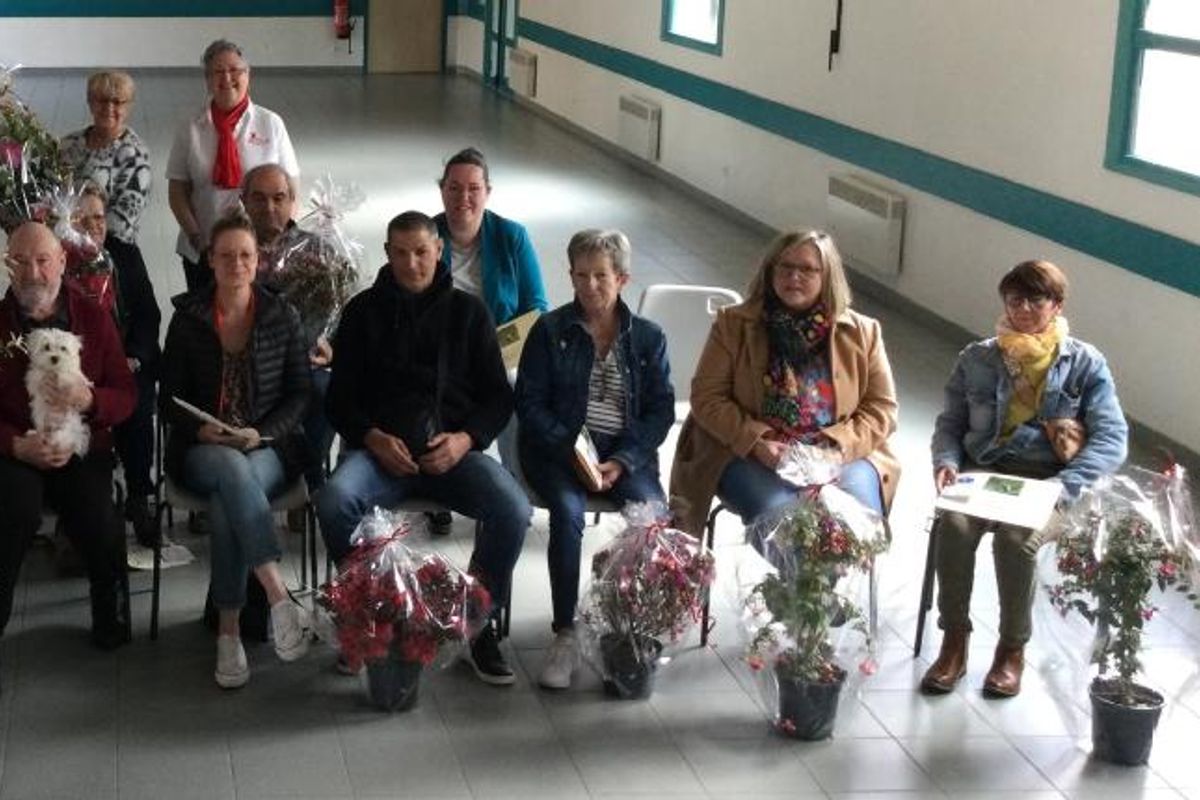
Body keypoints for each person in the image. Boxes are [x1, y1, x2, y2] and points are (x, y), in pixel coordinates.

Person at [317, 211, 532, 686]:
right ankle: (366, 615)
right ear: (388, 255)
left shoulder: (470, 313)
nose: (412, 263)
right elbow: (339, 401)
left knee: (513, 509)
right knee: (334, 502)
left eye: (421, 252)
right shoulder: (361, 312)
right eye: (400, 253)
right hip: (379, 454)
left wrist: (466, 440)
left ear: (440, 252)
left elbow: (499, 397)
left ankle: (476, 620)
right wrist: (371, 437)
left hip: (451, 453)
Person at [921, 259, 1127, 698]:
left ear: (1057, 305)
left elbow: (1112, 440)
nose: (1025, 309)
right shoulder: (977, 358)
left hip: (1050, 482)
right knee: (952, 530)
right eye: (1016, 300)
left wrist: (1065, 485)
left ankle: (1011, 650)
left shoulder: (1085, 364)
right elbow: (950, 423)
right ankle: (953, 641)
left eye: (1038, 300)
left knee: (1016, 541)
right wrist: (947, 461)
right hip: (984, 472)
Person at [516, 229, 674, 690]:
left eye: (601, 276)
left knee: (650, 522)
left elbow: (660, 409)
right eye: (580, 276)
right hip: (558, 451)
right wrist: (573, 451)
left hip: (624, 455)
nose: (590, 287)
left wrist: (622, 459)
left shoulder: (648, 338)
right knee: (566, 514)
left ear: (622, 279)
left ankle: (629, 629)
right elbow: (529, 403)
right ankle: (565, 631)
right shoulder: (550, 330)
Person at [159, 213, 312, 689]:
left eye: (246, 255)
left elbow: (301, 392)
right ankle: (276, 593)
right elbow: (168, 399)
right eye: (226, 255)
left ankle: (228, 630)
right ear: (210, 260)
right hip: (203, 447)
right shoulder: (188, 321)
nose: (237, 264)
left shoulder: (281, 315)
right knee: (228, 466)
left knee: (232, 490)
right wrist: (198, 429)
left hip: (266, 447)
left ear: (259, 260)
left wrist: (261, 434)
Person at [669, 229, 900, 535]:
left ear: (827, 276)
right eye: (785, 267)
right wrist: (756, 443)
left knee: (852, 528)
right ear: (770, 272)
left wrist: (836, 449)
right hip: (752, 453)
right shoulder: (734, 324)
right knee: (789, 531)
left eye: (806, 269)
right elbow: (706, 398)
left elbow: (881, 409)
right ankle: (803, 582)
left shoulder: (863, 332)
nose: (794, 277)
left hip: (838, 454)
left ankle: (820, 583)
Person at [0, 221, 134, 656]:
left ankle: (106, 608)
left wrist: (90, 399)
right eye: (21, 261)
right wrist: (15, 445)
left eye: (43, 260)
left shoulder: (93, 318)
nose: (33, 272)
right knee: (11, 511)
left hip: (81, 445)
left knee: (99, 517)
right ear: (7, 265)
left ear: (62, 262)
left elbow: (126, 394)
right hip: (16, 450)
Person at [166, 39, 299, 291]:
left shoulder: (270, 123)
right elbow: (177, 192)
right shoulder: (190, 126)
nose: (227, 78)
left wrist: (278, 243)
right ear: (207, 80)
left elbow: (291, 190)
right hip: (204, 249)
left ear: (248, 75)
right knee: (206, 322)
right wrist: (198, 238)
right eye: (218, 71)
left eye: (235, 70)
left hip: (258, 253)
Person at [74, 183, 161, 546]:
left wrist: (136, 357)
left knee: (137, 411)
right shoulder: (61, 257)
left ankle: (139, 498)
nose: (94, 225)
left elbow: (147, 313)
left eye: (99, 216)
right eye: (83, 218)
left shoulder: (124, 254)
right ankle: (81, 511)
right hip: (77, 366)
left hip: (127, 361)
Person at [242, 163, 335, 494]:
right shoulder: (234, 247)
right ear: (244, 201)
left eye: (279, 198)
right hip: (246, 357)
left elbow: (334, 310)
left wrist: (328, 343)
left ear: (293, 201)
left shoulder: (316, 249)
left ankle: (308, 475)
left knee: (325, 389)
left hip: (306, 357)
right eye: (259, 198)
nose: (269, 208)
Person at [434, 147, 549, 325]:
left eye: (474, 188)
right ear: (442, 191)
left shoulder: (513, 236)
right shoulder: (425, 236)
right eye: (454, 188)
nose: (463, 197)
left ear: (487, 193)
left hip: (501, 345)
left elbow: (536, 308)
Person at [59, 70, 152, 246]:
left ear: (129, 106)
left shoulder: (136, 154)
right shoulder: (68, 144)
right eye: (101, 100)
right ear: (90, 102)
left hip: (112, 248)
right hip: (63, 243)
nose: (109, 108)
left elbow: (123, 219)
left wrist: (78, 233)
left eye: (117, 102)